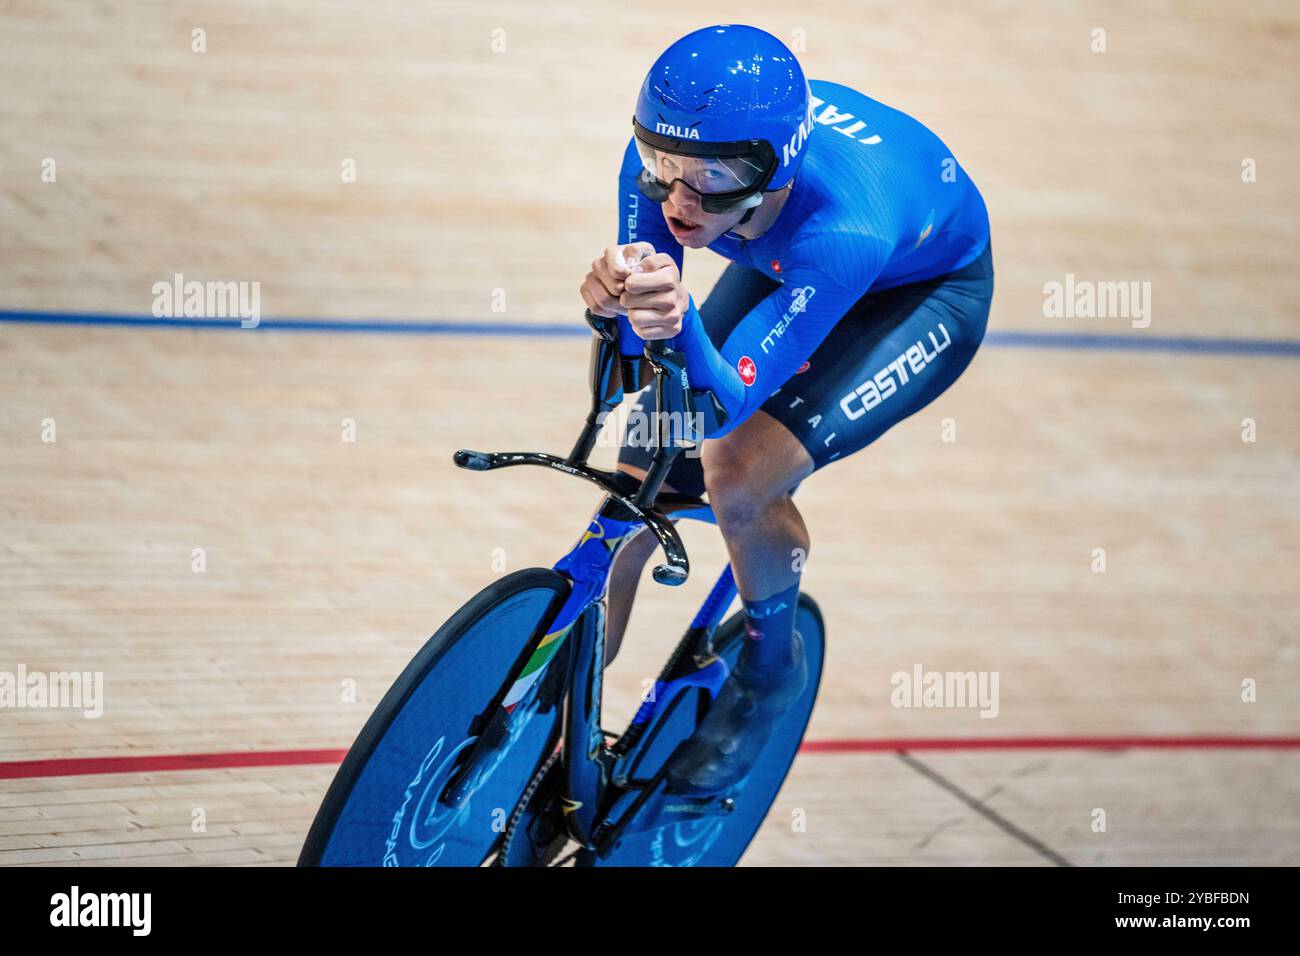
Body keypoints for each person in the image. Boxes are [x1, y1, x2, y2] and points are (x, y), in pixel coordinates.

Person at [579, 24, 994, 797]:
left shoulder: (845, 231)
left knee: (736, 474)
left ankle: (770, 676)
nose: (679, 201)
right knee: (642, 456)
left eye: (712, 177)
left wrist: (668, 327)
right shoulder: (667, 170)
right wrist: (612, 312)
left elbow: (720, 403)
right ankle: (557, 694)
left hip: (913, 292)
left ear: (773, 169)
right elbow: (638, 361)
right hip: (779, 250)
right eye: (663, 165)